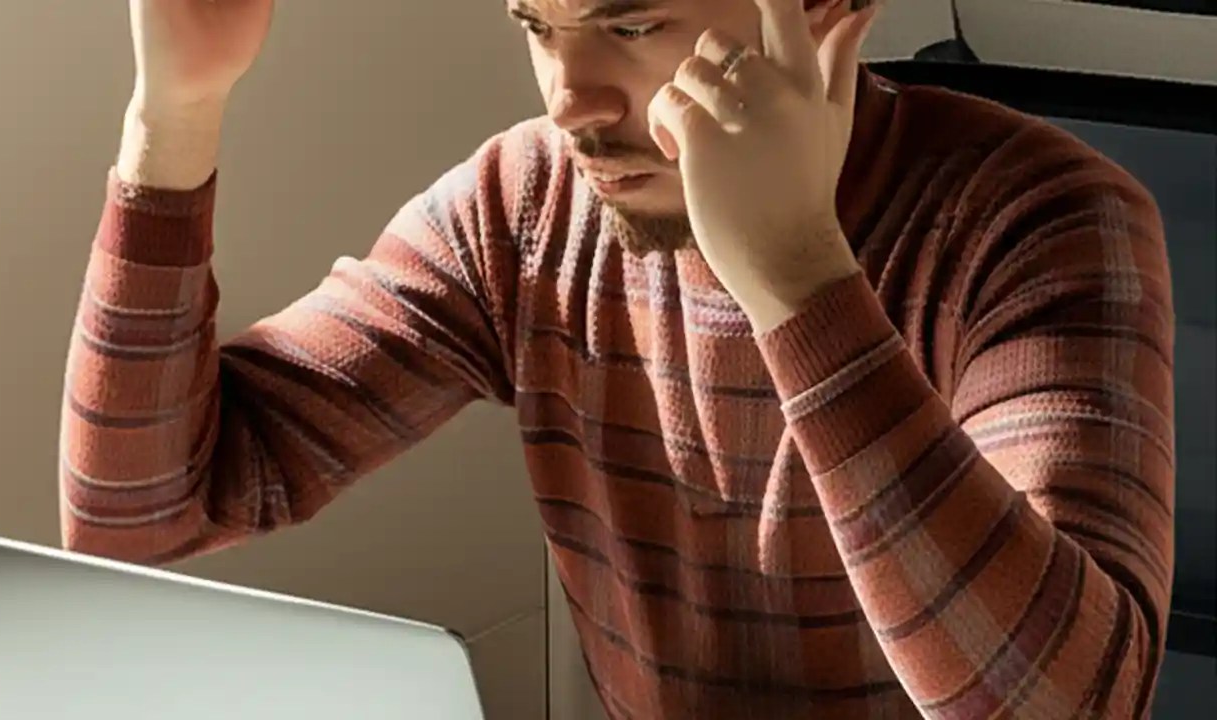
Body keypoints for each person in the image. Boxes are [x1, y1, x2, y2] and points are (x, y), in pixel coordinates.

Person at [61, 0, 1176, 717]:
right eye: (538, 26)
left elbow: (1067, 710)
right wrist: (176, 111)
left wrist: (792, 274)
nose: (569, 101)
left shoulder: (1043, 218)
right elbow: (137, 518)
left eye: (630, 26)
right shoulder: (528, 202)